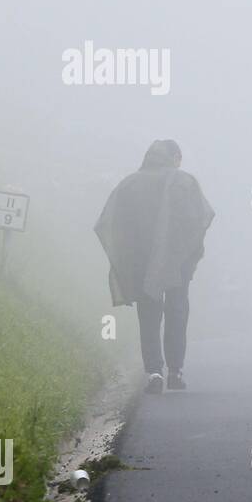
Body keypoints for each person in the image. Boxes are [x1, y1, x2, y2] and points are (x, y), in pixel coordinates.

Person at [95, 140, 215, 393]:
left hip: (142, 262)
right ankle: (175, 371)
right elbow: (200, 220)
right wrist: (191, 256)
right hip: (176, 262)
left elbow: (112, 224)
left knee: (148, 314)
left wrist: (127, 260)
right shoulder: (185, 182)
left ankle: (153, 373)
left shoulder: (128, 184)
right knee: (177, 311)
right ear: (175, 157)